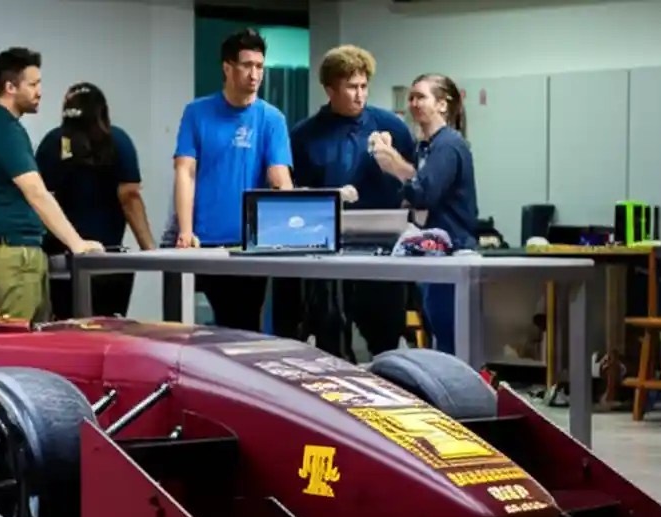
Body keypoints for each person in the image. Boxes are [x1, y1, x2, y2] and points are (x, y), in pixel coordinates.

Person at [290, 45, 416, 359]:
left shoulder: (392, 127)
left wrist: (393, 159)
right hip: (327, 251)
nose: (360, 95)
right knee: (331, 340)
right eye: (351, 87)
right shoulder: (305, 135)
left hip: (383, 247)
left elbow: (415, 180)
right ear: (330, 89)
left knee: (386, 337)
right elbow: (295, 193)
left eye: (363, 86)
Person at [172, 28, 300, 334]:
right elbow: (185, 171)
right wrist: (186, 231)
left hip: (250, 246)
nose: (254, 74)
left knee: (243, 326)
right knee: (199, 331)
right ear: (227, 67)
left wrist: (291, 230)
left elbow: (280, 178)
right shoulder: (197, 112)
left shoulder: (272, 119)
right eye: (247, 65)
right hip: (204, 242)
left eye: (259, 66)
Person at [0, 47, 103, 323]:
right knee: (15, 351)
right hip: (13, 258)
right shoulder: (4, 131)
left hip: (16, 253)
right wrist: (76, 243)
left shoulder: (0, 127)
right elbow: (36, 193)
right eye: (32, 84)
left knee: (33, 344)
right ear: (10, 87)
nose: (40, 91)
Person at [371, 72, 479, 354]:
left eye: (421, 97)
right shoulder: (425, 147)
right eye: (411, 97)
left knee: (450, 336)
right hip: (433, 253)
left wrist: (393, 163)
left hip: (453, 253)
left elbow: (424, 192)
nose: (414, 103)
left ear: (443, 104)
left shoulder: (449, 145)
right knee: (436, 332)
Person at [36, 82, 156, 319]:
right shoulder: (118, 141)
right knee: (108, 327)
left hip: (62, 258)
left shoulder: (53, 142)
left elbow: (41, 199)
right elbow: (130, 198)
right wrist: (149, 249)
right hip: (107, 260)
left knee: (64, 328)